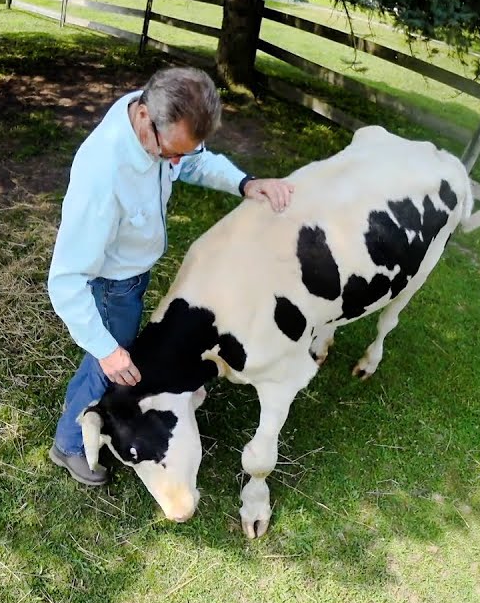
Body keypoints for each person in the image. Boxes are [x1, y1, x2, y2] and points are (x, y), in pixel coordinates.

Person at [46, 66, 295, 485]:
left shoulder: (157, 125)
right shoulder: (103, 177)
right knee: (107, 365)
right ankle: (69, 445)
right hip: (111, 289)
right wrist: (106, 349)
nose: (178, 162)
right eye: (171, 153)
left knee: (117, 356)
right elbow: (66, 280)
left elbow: (194, 164)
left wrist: (244, 183)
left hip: (131, 277)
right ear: (145, 117)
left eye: (185, 151)